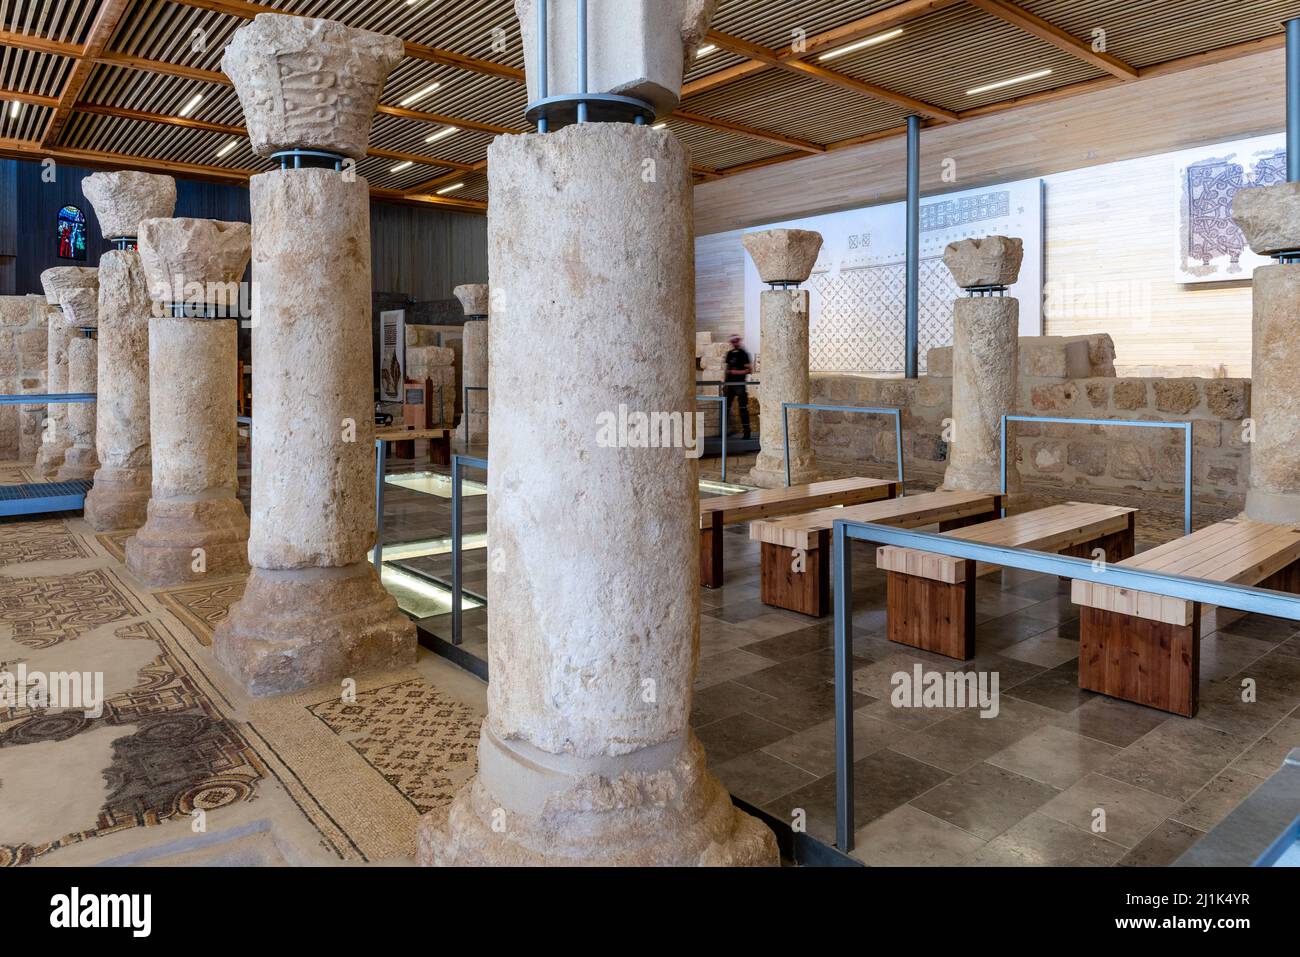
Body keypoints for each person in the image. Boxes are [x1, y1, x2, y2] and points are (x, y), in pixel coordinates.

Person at [723, 334, 752, 440]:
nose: (735, 343)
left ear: (739, 341)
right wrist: (725, 383)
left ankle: (747, 432)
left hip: (740, 384)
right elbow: (727, 369)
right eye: (733, 341)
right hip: (729, 385)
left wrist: (736, 372)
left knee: (743, 409)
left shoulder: (744, 354)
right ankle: (724, 432)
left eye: (736, 341)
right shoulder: (729, 354)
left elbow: (749, 370)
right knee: (725, 409)